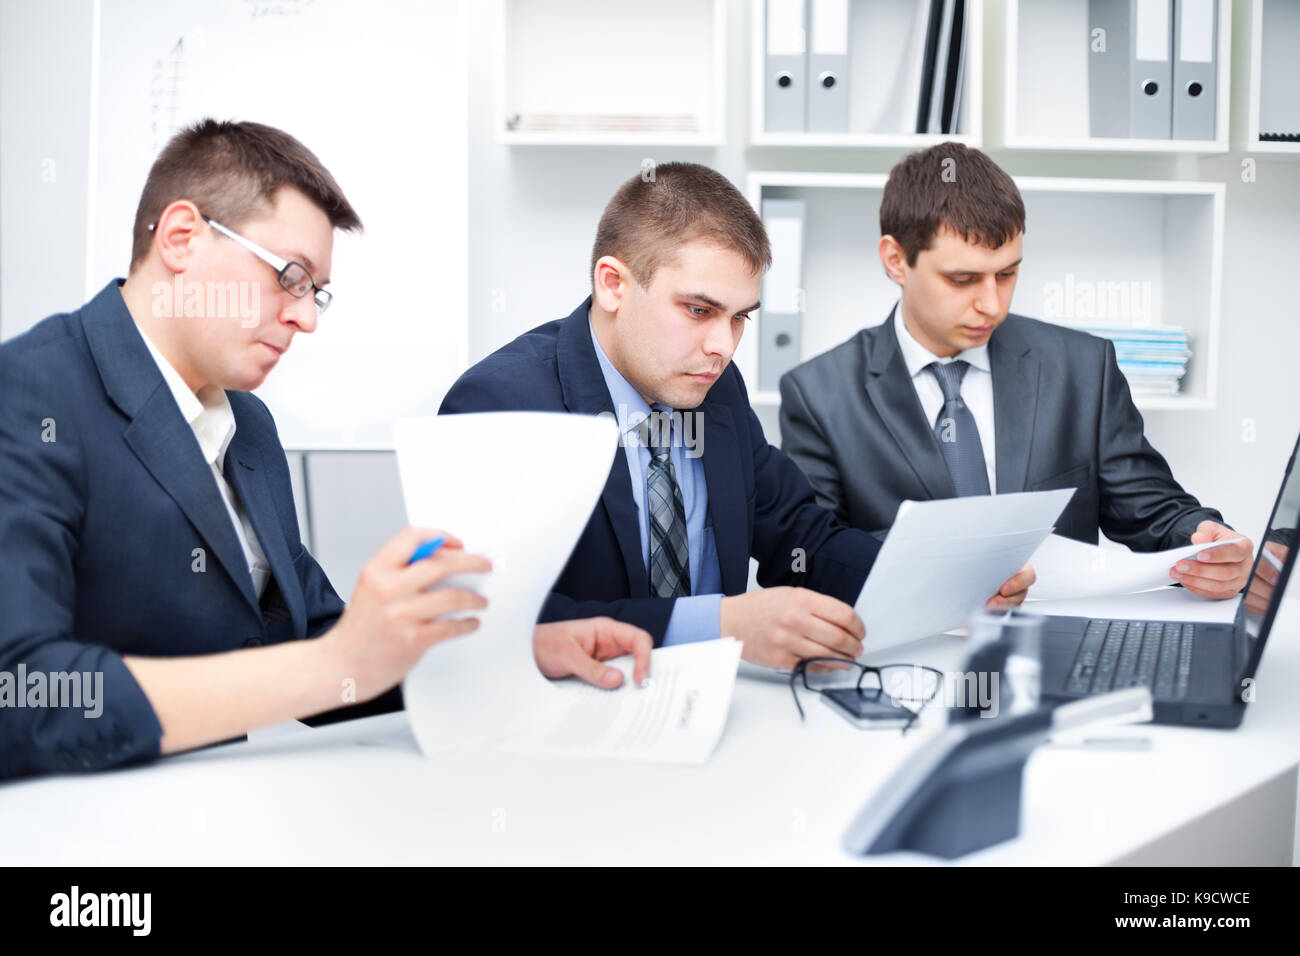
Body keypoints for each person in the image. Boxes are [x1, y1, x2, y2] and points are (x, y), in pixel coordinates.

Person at [0, 120, 649, 781]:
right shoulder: (28, 393)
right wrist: (331, 666)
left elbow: (317, 634)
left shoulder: (245, 425)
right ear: (181, 238)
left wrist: (515, 653)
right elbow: (19, 690)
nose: (305, 318)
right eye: (289, 276)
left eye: (316, 292)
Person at [439, 162, 1034, 672]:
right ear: (613, 284)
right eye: (699, 310)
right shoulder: (499, 404)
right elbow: (493, 623)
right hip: (574, 735)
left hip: (718, 715)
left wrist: (946, 581)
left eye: (740, 317)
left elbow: (802, 537)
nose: (723, 345)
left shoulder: (713, 388)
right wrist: (718, 624)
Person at [778, 142, 1252, 601]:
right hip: (905, 658)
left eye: (1007, 274)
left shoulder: (1082, 367)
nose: (992, 304)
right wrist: (948, 570)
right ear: (896, 260)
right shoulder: (819, 394)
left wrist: (1203, 541)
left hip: (1057, 647)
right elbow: (809, 557)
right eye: (962, 279)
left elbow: (1149, 505)